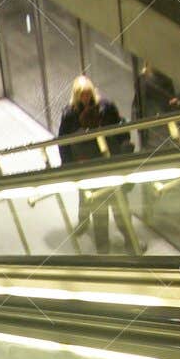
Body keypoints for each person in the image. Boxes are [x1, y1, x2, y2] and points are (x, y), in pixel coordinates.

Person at [56, 76, 134, 253]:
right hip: (89, 166)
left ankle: (129, 240)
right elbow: (64, 143)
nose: (85, 97)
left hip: (109, 162)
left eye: (88, 93)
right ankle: (103, 247)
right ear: (76, 95)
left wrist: (123, 150)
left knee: (119, 205)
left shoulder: (105, 108)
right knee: (98, 208)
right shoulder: (70, 114)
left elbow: (121, 128)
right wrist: (69, 166)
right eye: (82, 94)